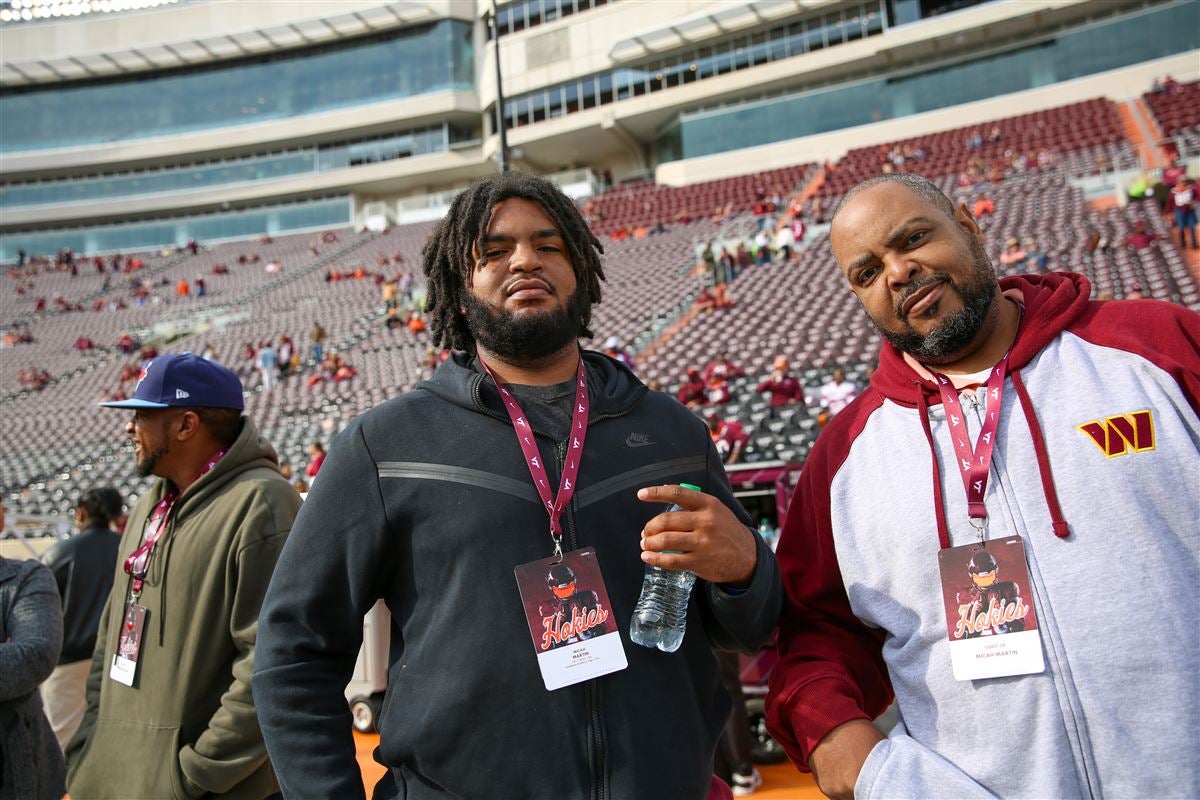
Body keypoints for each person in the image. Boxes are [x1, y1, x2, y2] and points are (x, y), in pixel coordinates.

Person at [253, 172, 781, 799]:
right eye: (495, 250)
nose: (526, 260)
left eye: (549, 245)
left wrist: (746, 568)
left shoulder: (673, 432)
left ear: (581, 273)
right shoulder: (384, 447)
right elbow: (293, 651)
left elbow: (749, 625)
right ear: (457, 290)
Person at [765, 173, 1200, 799]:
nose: (898, 271)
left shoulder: (1154, 347)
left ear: (968, 226)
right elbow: (815, 633)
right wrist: (837, 740)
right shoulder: (844, 455)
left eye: (913, 238)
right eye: (867, 272)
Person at [66, 354, 301, 799]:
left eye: (141, 415)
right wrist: (89, 746)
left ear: (186, 425)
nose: (128, 427)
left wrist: (194, 774)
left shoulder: (263, 505)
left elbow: (269, 666)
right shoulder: (145, 508)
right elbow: (110, 638)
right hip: (114, 775)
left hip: (196, 788)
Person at [40, 487, 123, 750]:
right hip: (118, 658)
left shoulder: (59, 553)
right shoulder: (128, 548)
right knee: (113, 740)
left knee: (63, 743)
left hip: (69, 662)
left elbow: (42, 611)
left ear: (81, 513)